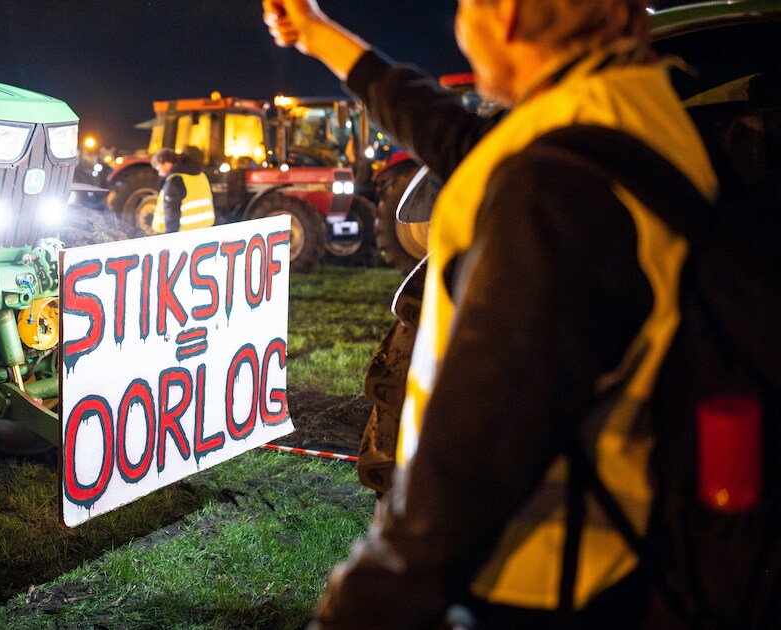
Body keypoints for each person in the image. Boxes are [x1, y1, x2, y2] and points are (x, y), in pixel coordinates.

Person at [263, 0, 718, 627]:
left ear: (502, 15)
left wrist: (357, 608)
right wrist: (320, 37)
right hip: (607, 554)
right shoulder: (616, 109)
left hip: (537, 577)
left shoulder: (552, 186)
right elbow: (451, 134)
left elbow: (471, 455)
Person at [149, 148, 216, 233]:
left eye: (159, 168)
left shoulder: (174, 180)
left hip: (185, 233)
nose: (159, 173)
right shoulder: (201, 175)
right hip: (206, 229)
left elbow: (172, 213)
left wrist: (169, 236)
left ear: (167, 164)